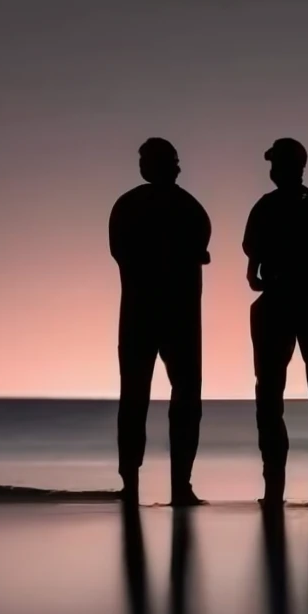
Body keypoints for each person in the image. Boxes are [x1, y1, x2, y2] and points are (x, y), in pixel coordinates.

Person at [243, 138, 308, 504]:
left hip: (291, 304)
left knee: (284, 393)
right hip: (300, 304)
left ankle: (288, 484)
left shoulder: (276, 208)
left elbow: (252, 270)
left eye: (277, 164)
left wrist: (280, 282)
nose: (273, 171)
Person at [109, 138, 211, 505]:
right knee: (177, 396)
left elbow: (122, 254)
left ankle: (140, 484)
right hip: (175, 315)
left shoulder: (130, 205)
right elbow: (200, 252)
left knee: (139, 397)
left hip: (145, 313)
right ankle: (172, 484)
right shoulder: (187, 208)